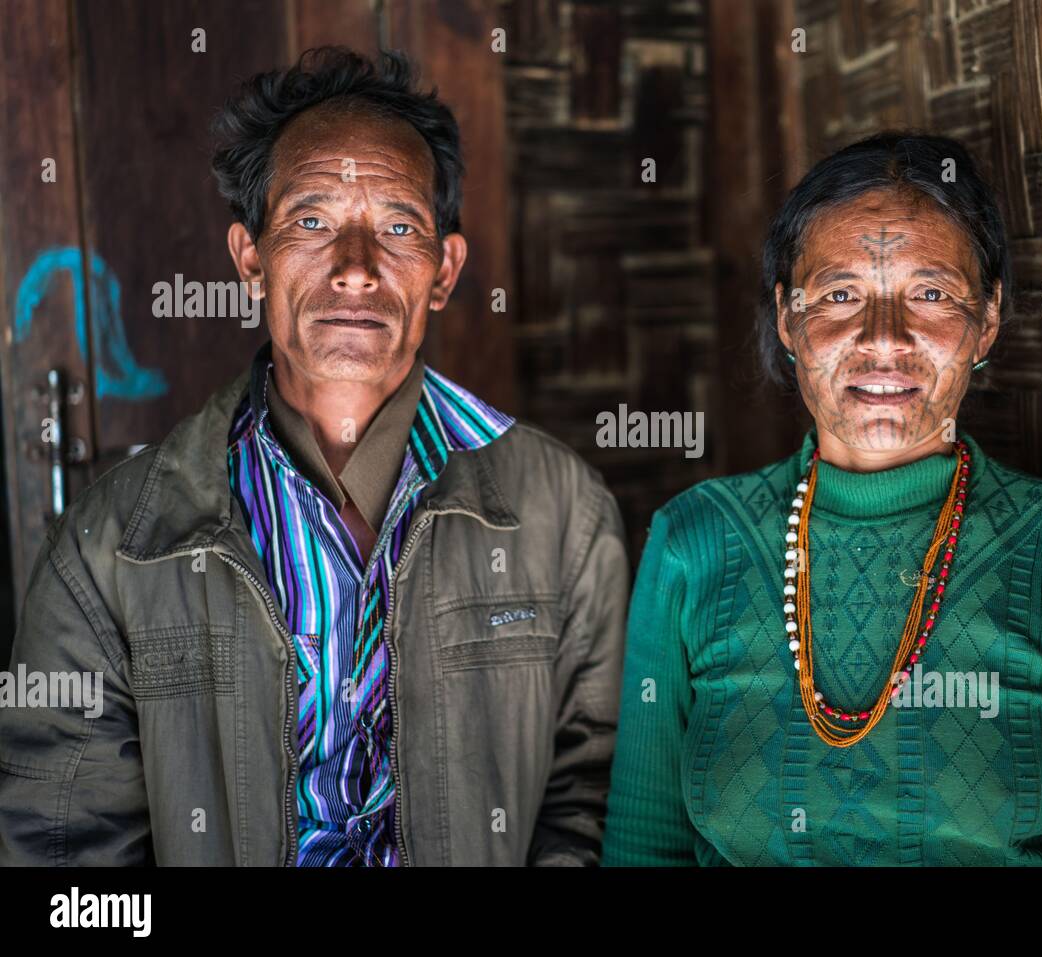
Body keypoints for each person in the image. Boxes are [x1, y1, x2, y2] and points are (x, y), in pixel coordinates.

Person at [0, 47, 628, 866]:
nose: (357, 270)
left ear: (444, 270)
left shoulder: (563, 513)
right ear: (250, 258)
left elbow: (593, 795)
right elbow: (64, 855)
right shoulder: (111, 546)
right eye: (311, 221)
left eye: (399, 226)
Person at [603, 132, 1042, 866]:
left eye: (929, 294)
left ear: (986, 320)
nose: (883, 339)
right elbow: (641, 847)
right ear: (789, 318)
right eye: (839, 294)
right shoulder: (692, 544)